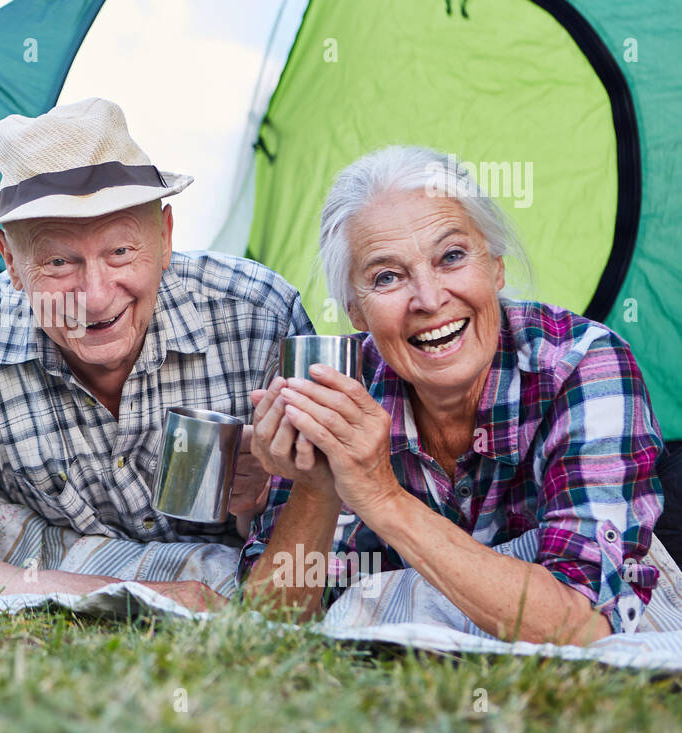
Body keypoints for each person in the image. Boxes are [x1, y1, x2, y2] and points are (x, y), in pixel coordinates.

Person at [0, 97, 313, 611]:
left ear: (166, 235)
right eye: (59, 261)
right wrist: (141, 595)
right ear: (10, 261)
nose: (98, 296)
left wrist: (264, 503)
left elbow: (333, 530)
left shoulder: (262, 317)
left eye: (121, 252)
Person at [240, 145, 666, 645]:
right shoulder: (338, 389)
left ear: (496, 267)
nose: (429, 299)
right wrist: (317, 483)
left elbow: (585, 624)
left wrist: (381, 496)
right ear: (356, 313)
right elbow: (268, 626)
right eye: (387, 277)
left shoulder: (582, 365)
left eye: (452, 257)